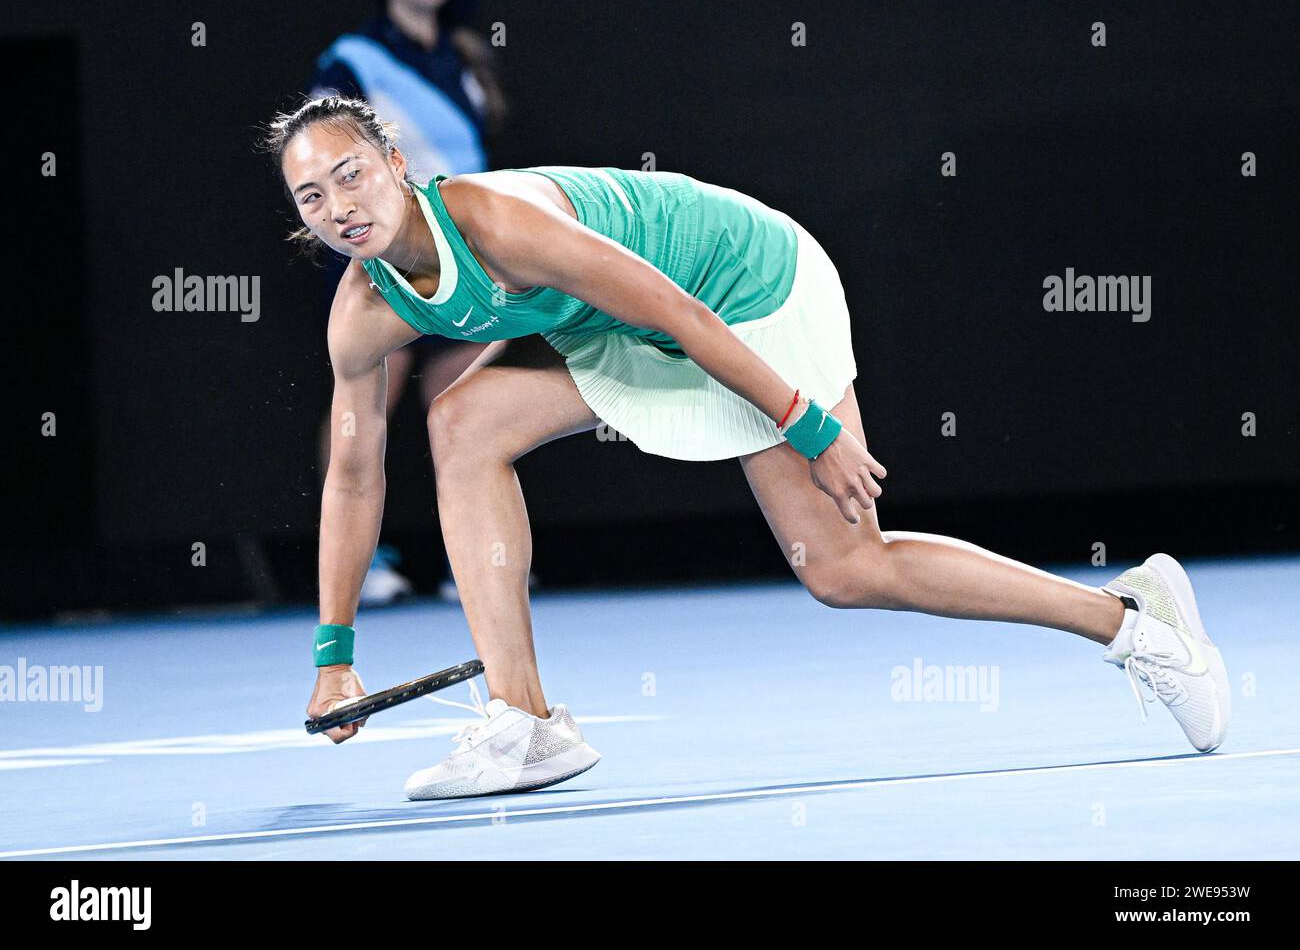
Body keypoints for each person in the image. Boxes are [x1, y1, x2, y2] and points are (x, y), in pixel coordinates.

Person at [262, 95, 1231, 801]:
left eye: (351, 171)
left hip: (744, 289)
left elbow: (678, 309)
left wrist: (809, 424)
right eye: (311, 195)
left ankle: (1133, 622)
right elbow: (353, 474)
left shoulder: (499, 224)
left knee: (847, 569)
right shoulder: (360, 314)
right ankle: (525, 723)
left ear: (394, 162)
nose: (339, 203)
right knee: (460, 421)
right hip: (632, 330)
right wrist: (334, 650)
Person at [307, 0, 507, 605]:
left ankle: (476, 556)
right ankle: (357, 567)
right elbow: (319, 155)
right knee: (364, 408)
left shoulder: (465, 57)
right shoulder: (351, 59)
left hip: (464, 256)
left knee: (470, 409)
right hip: (383, 261)